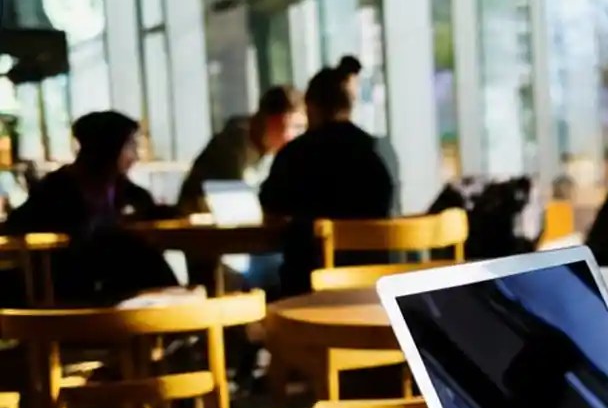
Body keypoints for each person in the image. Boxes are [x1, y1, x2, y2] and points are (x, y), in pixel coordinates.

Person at [1, 111, 177, 303]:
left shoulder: (128, 192)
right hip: (67, 287)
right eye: (130, 146)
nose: (135, 156)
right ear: (109, 148)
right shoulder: (57, 190)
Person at [260, 67, 395, 295]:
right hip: (376, 285)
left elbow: (270, 211)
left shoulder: (295, 155)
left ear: (311, 106)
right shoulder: (381, 152)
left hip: (308, 291)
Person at [177, 85, 304, 214]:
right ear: (265, 121)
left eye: (299, 128)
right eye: (285, 127)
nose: (291, 136)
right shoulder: (230, 148)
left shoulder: (280, 154)